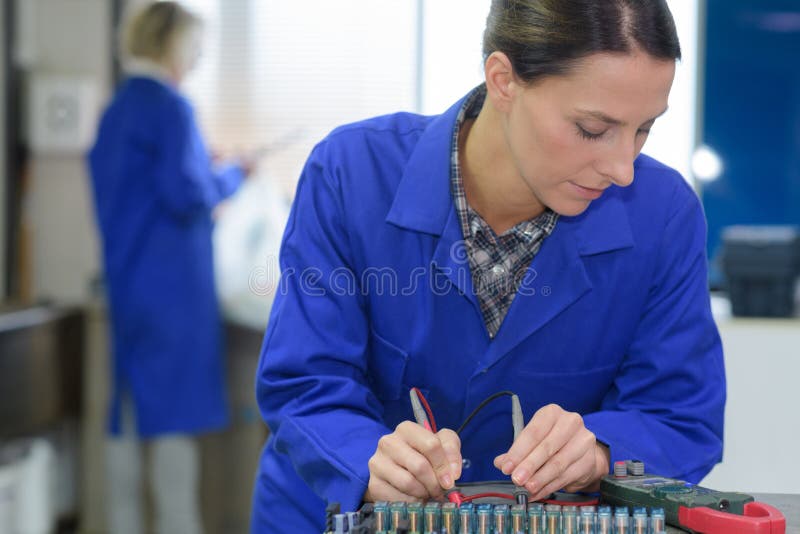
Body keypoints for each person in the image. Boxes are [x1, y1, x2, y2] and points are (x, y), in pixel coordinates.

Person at [251, 1, 726, 531]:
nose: (622, 169)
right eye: (594, 129)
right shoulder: (351, 174)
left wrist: (599, 450)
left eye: (644, 130)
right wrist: (365, 456)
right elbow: (304, 382)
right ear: (503, 80)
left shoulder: (663, 215)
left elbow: (679, 416)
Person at [87, 2, 253, 533]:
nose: (200, 57)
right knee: (174, 424)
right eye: (196, 47)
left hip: (128, 288)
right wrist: (231, 175)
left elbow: (147, 189)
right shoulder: (170, 108)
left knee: (131, 419)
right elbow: (188, 194)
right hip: (171, 296)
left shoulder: (117, 111)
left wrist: (201, 168)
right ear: (175, 45)